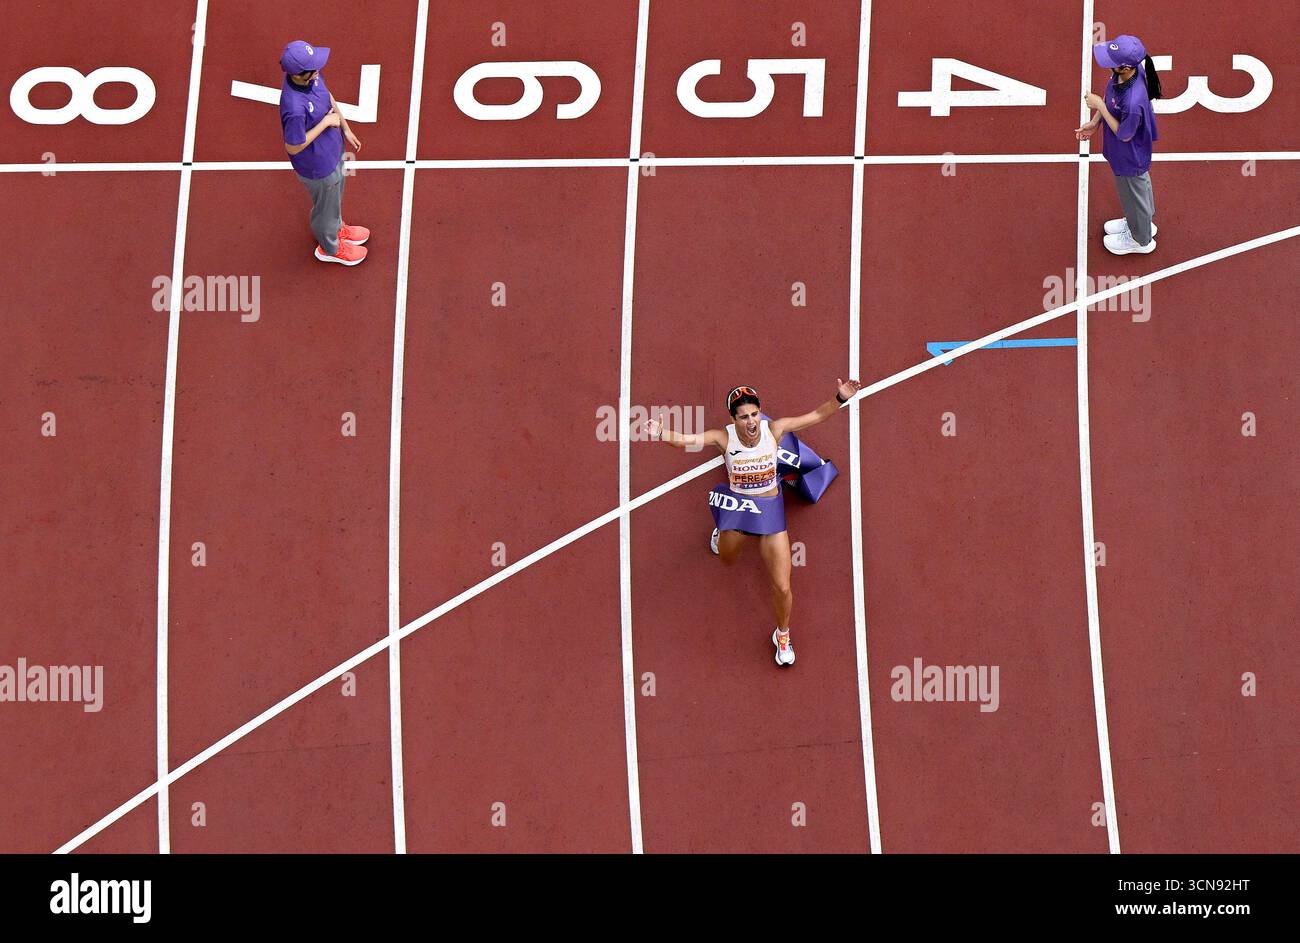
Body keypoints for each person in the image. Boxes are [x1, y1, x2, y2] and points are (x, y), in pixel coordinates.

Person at [645, 380, 860, 667]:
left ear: (761, 413)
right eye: (744, 417)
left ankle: (782, 634)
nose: (751, 421)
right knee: (726, 555)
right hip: (741, 509)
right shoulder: (723, 438)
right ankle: (723, 528)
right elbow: (685, 441)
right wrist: (661, 433)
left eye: (755, 414)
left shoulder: (775, 429)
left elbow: (816, 416)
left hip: (770, 512)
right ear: (733, 419)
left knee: (782, 586)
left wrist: (840, 398)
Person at [278, 40, 370, 266]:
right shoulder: (294, 108)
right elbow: (293, 145)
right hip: (316, 166)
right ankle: (329, 248)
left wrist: (346, 128)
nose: (319, 68)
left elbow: (328, 96)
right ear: (299, 74)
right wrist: (326, 122)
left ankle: (337, 228)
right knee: (325, 208)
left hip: (332, 150)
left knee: (335, 199)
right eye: (314, 66)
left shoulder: (313, 77)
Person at [1077, 34, 1163, 256]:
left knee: (1134, 194)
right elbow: (1110, 98)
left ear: (1125, 67)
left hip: (1130, 155)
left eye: (1112, 62)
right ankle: (1138, 222)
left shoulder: (1134, 101)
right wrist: (1096, 123)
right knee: (1134, 194)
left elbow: (1125, 134)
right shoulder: (1123, 76)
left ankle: (1140, 238)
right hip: (1122, 154)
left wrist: (1099, 107)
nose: (1107, 64)